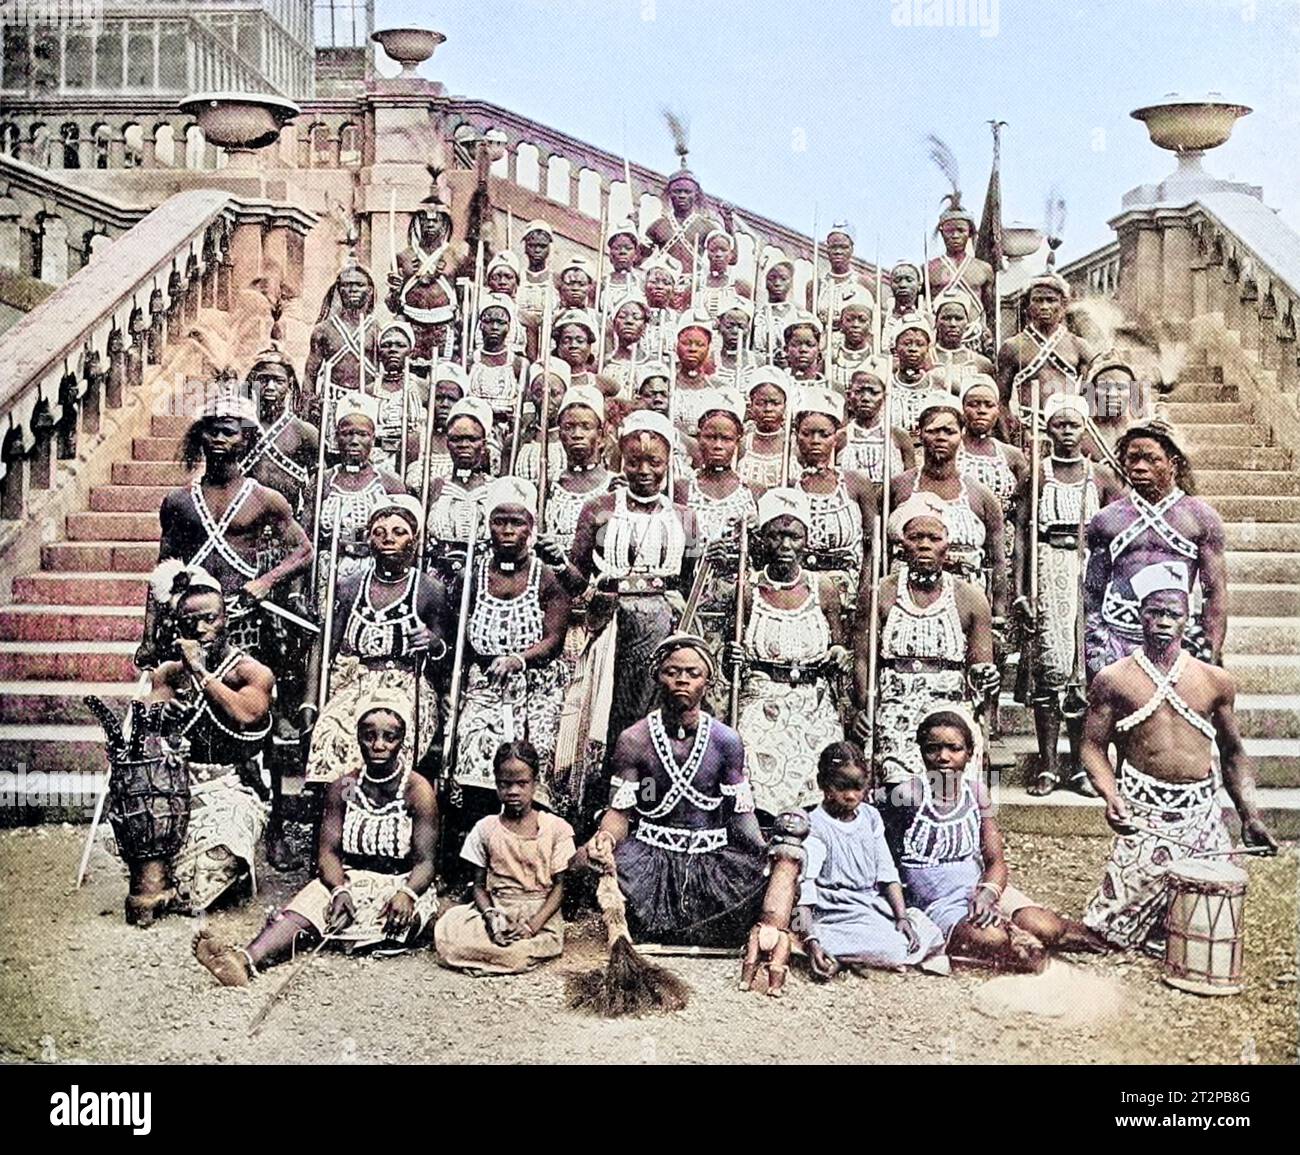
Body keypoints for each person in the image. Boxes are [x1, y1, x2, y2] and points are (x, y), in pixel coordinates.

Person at [1081, 563, 1277, 950]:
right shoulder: (1114, 679)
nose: (1163, 622)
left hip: (1200, 816)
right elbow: (1091, 746)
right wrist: (1111, 794)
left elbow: (1233, 752)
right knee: (1106, 931)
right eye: (1154, 612)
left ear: (1188, 619)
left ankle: (1170, 919)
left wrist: (1249, 815)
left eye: (1173, 613)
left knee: (1211, 926)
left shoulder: (1213, 681)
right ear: (1140, 615)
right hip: (1143, 814)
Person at [193, 690, 439, 985]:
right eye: (369, 735)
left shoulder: (417, 790)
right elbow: (329, 853)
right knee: (306, 905)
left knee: (395, 922)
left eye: (390, 737)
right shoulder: (345, 787)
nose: (378, 745)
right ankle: (244, 961)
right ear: (357, 736)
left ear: (403, 739)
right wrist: (339, 891)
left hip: (400, 885)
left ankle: (341, 932)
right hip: (350, 880)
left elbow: (426, 862)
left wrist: (407, 894)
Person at [546, 411, 700, 803]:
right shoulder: (598, 509)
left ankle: (651, 798)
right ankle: (606, 803)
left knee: (655, 712)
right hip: (609, 624)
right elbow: (577, 582)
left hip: (661, 627)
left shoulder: (683, 517)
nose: (644, 470)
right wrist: (559, 565)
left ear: (669, 464)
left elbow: (690, 583)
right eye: (634, 461)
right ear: (620, 461)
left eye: (654, 462)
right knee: (609, 713)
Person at [577, 635, 767, 947]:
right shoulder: (634, 740)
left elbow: (741, 813)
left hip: (711, 858)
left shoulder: (726, 741)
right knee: (590, 863)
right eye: (672, 672)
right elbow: (620, 812)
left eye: (693, 673)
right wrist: (606, 840)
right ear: (657, 676)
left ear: (708, 681)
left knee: (766, 874)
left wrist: (762, 849)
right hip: (649, 858)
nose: (682, 680)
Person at [898, 709, 1106, 970]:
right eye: (933, 749)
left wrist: (986, 894)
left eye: (954, 748)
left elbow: (995, 861)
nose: (943, 757)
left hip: (979, 889)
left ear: (970, 753)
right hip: (939, 901)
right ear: (921, 752)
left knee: (1045, 927)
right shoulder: (907, 796)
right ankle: (1016, 948)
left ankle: (1078, 937)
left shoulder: (976, 793)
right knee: (992, 938)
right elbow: (887, 862)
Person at [139, 394, 313, 668]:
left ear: (245, 439)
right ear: (201, 437)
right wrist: (149, 638)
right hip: (190, 620)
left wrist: (266, 582)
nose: (219, 438)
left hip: (242, 621)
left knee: (239, 700)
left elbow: (304, 551)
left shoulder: (265, 498)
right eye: (212, 431)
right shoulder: (178, 501)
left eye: (229, 432)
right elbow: (162, 572)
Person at [142, 566, 274, 918]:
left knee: (217, 857)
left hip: (233, 785)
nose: (200, 629)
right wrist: (160, 714)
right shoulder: (168, 672)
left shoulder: (252, 672)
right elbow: (146, 727)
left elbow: (246, 714)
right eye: (190, 622)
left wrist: (201, 673)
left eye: (209, 619)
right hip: (182, 785)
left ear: (226, 618)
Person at [1018, 394, 1124, 796]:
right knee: (1052, 668)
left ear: (1085, 429)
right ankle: (1047, 765)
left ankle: (1081, 766)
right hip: (1049, 566)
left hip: (1090, 568)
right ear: (1047, 429)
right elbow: (1024, 535)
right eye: (1058, 425)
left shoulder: (1100, 477)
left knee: (1085, 670)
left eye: (1073, 425)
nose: (1066, 432)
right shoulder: (1038, 473)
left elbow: (1119, 530)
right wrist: (1022, 589)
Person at [855, 497, 999, 792]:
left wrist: (986, 675)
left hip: (950, 709)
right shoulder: (880, 594)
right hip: (896, 710)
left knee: (952, 791)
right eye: (915, 537)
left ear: (948, 544)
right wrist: (865, 707)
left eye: (934, 538)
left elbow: (980, 665)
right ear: (901, 544)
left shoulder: (970, 598)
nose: (924, 545)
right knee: (902, 795)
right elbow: (863, 660)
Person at [304, 495, 447, 786]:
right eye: (379, 533)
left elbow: (445, 652)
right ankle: (340, 808)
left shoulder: (429, 590)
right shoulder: (349, 587)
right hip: (356, 683)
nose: (388, 539)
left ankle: (385, 808)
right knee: (331, 730)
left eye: (398, 532)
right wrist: (308, 702)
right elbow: (323, 646)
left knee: (387, 731)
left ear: (414, 541)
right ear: (369, 540)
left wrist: (433, 643)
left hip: (408, 687)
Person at [451, 477, 572, 819]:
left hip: (536, 685)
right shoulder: (471, 575)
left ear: (531, 528)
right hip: (486, 683)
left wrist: (518, 659)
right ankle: (479, 835)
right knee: (473, 740)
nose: (507, 529)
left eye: (517, 522)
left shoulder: (546, 576)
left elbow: (553, 641)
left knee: (535, 749)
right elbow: (460, 634)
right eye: (499, 521)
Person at [731, 488, 850, 820]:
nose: (784, 546)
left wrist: (838, 654)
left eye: (793, 537)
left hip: (812, 703)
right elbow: (730, 657)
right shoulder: (748, 591)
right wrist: (735, 657)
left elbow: (837, 644)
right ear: (762, 540)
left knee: (820, 777)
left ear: (806, 539)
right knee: (755, 764)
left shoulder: (822, 588)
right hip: (761, 699)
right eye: (775, 536)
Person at [1084, 420, 1225, 678]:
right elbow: (1092, 593)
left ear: (1173, 464)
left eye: (1151, 459)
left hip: (1177, 641)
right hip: (1117, 640)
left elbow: (1214, 593)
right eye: (1132, 459)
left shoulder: (1201, 518)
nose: (1139, 467)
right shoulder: (1106, 520)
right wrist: (1095, 647)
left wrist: (1210, 653)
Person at [800, 741, 946, 978]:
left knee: (926, 930)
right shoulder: (815, 825)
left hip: (870, 905)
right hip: (833, 911)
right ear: (823, 784)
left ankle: (846, 957)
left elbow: (887, 872)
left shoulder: (870, 816)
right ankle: (830, 951)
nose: (850, 796)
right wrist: (811, 938)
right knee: (893, 948)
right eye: (841, 787)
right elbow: (805, 887)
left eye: (858, 788)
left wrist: (901, 917)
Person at [435, 741, 576, 974]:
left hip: (538, 915)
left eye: (522, 784)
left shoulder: (555, 828)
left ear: (535, 784)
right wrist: (491, 917)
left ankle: (495, 958)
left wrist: (532, 926)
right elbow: (479, 886)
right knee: (450, 934)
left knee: (518, 953)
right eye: (505, 784)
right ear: (496, 784)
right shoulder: (486, 828)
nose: (513, 791)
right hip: (499, 909)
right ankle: (491, 955)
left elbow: (560, 887)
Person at [892, 395, 1008, 621]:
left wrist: (998, 613)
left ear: (961, 436)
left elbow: (997, 561)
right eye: (933, 431)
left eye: (949, 431)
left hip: (965, 600)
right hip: (907, 597)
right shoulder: (899, 487)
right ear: (920, 433)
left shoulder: (981, 496)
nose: (941, 438)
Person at [309, 393, 406, 611]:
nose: (354, 441)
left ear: (373, 438)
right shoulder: (323, 481)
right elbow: (307, 538)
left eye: (362, 434)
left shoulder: (390, 484)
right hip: (328, 571)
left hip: (373, 571)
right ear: (336, 437)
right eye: (347, 434)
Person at [794, 388, 877, 617]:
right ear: (797, 435)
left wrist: (865, 591)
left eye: (824, 434)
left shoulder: (856, 483)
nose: (815, 441)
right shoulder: (790, 485)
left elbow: (872, 544)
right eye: (807, 433)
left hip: (847, 589)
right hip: (802, 588)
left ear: (836, 437)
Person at [997, 273, 1096, 434]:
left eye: (1051, 300)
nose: (1044, 306)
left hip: (1067, 430)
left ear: (1063, 305)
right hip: (1028, 429)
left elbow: (1090, 400)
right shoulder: (1013, 347)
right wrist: (1010, 435)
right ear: (1028, 305)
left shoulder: (1079, 346)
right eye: (1037, 300)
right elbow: (1001, 401)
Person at [386, 183, 467, 370]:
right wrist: (396, 290)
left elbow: (464, 301)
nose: (429, 224)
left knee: (441, 379)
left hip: (443, 326)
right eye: (424, 219)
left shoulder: (455, 257)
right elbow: (392, 305)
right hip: (410, 323)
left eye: (435, 220)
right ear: (417, 222)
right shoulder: (403, 257)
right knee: (408, 374)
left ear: (444, 222)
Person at [239, 347, 318, 518]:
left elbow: (318, 481)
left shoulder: (305, 432)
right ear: (252, 382)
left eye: (278, 381)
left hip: (288, 519)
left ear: (289, 385)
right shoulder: (241, 427)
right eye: (263, 380)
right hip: (244, 519)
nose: (270, 386)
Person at [424, 397, 495, 586]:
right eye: (456, 439)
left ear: (484, 443)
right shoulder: (435, 486)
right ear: (447, 443)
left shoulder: (496, 489)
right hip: (437, 579)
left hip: (483, 580)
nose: (464, 445)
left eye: (472, 439)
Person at [546, 386, 612, 557]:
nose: (577, 434)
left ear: (600, 434)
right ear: (560, 434)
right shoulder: (550, 486)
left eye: (586, 427)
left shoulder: (613, 486)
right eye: (569, 427)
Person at [303, 261, 379, 409]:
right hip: (333, 400)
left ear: (370, 290)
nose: (353, 289)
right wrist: (308, 403)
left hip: (367, 399)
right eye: (347, 284)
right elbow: (310, 373)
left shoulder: (377, 330)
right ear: (338, 289)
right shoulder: (323, 330)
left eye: (359, 284)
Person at [642, 160, 728, 281]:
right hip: (666, 285)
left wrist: (728, 224)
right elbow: (638, 258)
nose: (682, 195)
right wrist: (633, 226)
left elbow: (731, 259)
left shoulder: (707, 227)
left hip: (694, 287)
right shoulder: (657, 226)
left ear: (696, 195)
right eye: (677, 191)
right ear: (669, 193)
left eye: (687, 192)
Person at [926, 198, 995, 344]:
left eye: (961, 230)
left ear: (970, 233)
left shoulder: (984, 269)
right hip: (939, 339)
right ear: (942, 232)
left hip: (975, 338)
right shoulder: (929, 268)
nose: (955, 236)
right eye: (950, 231)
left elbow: (989, 309)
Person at [403, 363, 476, 491]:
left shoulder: (471, 443)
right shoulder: (415, 440)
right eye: (439, 398)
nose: (444, 404)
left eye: (452, 399)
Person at [370, 320, 427, 478]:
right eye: (387, 345)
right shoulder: (369, 390)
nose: (392, 350)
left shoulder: (423, 387)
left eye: (400, 345)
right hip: (377, 458)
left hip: (414, 460)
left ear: (411, 351)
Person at [838, 367, 914, 485]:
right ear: (849, 396)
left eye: (874, 393)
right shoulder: (840, 437)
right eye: (859, 392)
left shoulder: (899, 436)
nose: (865, 398)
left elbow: (910, 480)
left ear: (884, 397)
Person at [468, 292, 528, 431]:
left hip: (507, 429)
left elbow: (524, 401)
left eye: (501, 322)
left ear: (509, 326)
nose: (495, 327)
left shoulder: (519, 364)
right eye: (489, 322)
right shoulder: (470, 362)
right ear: (480, 325)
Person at [807, 222, 877, 334]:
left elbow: (872, 324)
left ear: (852, 249)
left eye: (843, 247)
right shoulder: (816, 285)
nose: (838, 252)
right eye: (833, 247)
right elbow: (809, 324)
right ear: (827, 249)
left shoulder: (865, 283)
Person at [736, 366, 793, 494]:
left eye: (775, 403)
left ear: (784, 405)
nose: (768, 408)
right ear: (751, 406)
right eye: (761, 403)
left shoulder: (794, 444)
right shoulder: (742, 444)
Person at [924, 300, 995, 391]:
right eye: (946, 318)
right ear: (936, 322)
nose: (953, 324)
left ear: (967, 323)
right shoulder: (925, 359)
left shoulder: (982, 363)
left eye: (958, 318)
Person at [886, 314, 936, 435]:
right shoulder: (885, 383)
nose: (913, 349)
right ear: (895, 347)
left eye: (920, 344)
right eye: (907, 343)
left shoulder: (938, 383)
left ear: (928, 348)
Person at [669, 314, 717, 434]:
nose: (692, 349)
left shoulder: (716, 388)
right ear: (676, 345)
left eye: (700, 345)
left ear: (708, 348)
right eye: (686, 343)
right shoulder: (666, 384)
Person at [516, 220, 557, 360]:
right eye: (532, 246)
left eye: (542, 246)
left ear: (549, 248)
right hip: (520, 342)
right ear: (525, 248)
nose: (537, 250)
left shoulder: (556, 281)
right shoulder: (517, 277)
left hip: (549, 344)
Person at [599, 295, 651, 401]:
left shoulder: (651, 363)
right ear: (614, 323)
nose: (629, 321)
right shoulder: (604, 363)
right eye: (622, 316)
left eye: (636, 317)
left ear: (645, 326)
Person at [694, 229, 752, 321]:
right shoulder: (697, 284)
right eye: (713, 250)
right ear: (707, 254)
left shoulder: (739, 285)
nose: (718, 254)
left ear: (731, 254)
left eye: (724, 250)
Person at [753, 253, 799, 366]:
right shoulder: (757, 315)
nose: (777, 283)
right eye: (772, 278)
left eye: (783, 279)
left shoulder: (797, 315)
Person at [640, 251, 683, 363]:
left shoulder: (679, 320)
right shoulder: (637, 315)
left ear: (673, 289)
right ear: (644, 286)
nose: (659, 287)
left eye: (666, 283)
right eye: (654, 282)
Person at [880, 263, 932, 352]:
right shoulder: (882, 318)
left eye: (909, 280)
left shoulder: (927, 319)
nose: (903, 285)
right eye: (897, 280)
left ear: (919, 285)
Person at [827, 301, 877, 393]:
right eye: (849, 319)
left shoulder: (878, 362)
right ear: (840, 324)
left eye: (862, 320)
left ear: (870, 325)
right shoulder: (829, 360)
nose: (855, 325)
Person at [712, 295, 758, 392]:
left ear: (748, 328)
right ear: (719, 326)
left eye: (741, 327)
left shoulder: (758, 361)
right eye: (729, 326)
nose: (735, 331)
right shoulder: (709, 359)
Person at [600, 220, 645, 319]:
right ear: (610, 254)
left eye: (628, 248)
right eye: (617, 248)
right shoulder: (602, 284)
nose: (622, 252)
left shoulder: (642, 283)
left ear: (636, 254)